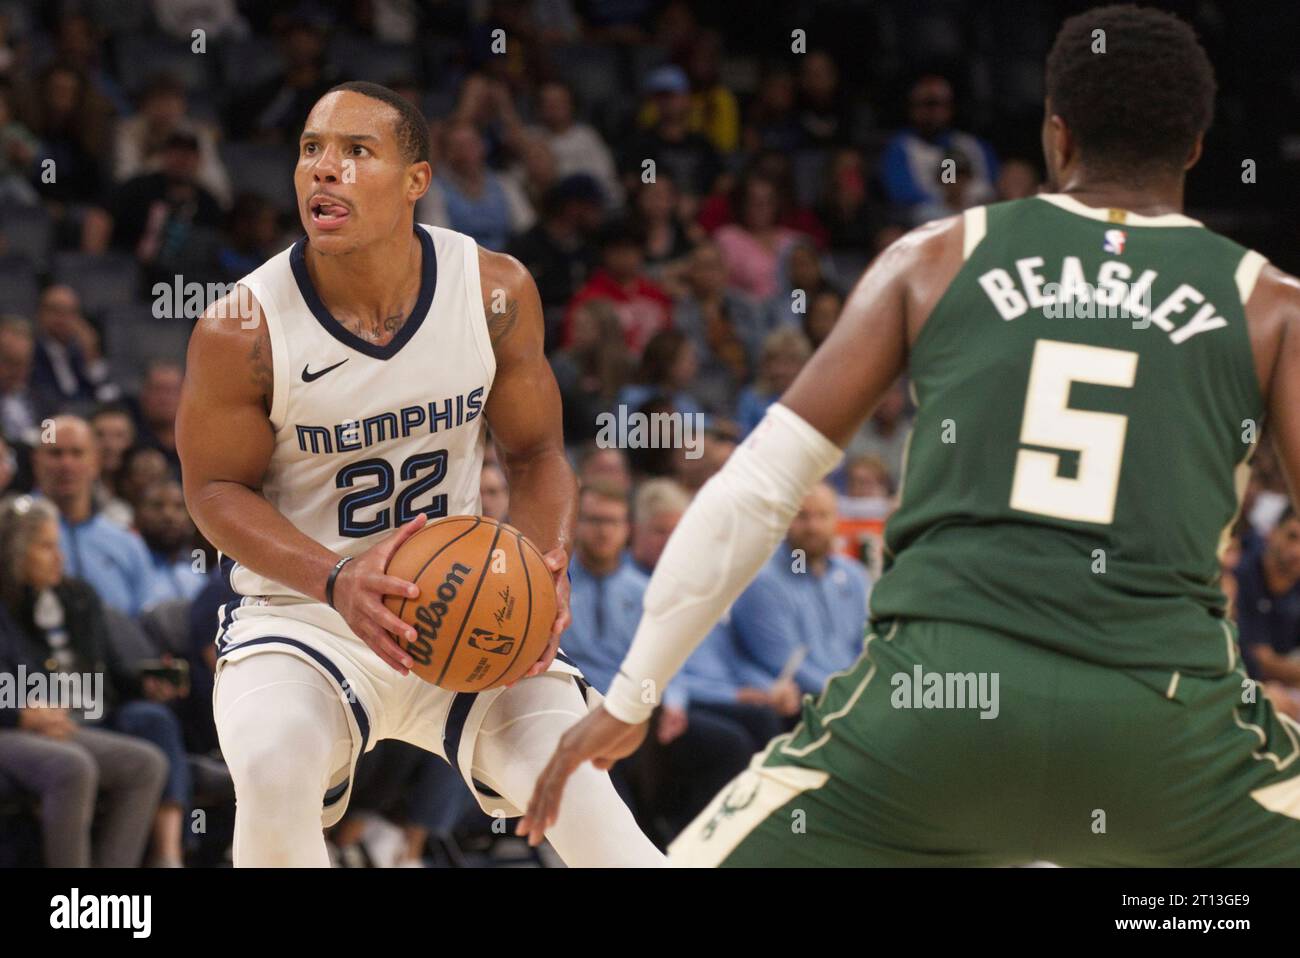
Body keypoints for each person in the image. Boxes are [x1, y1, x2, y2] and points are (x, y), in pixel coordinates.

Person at [521, 5, 1300, 866]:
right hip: (1169, 732)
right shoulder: (1272, 306)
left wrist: (633, 695)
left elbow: (755, 489)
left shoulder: (936, 257)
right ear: (1196, 146)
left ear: (1057, 134)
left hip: (932, 710)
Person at [176, 81, 661, 867]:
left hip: (464, 603)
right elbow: (212, 491)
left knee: (599, 822)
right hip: (303, 620)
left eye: (355, 151)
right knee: (271, 778)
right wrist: (337, 579)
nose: (323, 170)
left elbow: (536, 456)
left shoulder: (495, 293)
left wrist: (541, 569)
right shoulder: (242, 327)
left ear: (416, 180)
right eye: (310, 150)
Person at [0, 494, 169, 866]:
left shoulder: (36, 601)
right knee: (73, 767)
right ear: (15, 551)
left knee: (145, 764)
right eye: (45, 547)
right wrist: (21, 715)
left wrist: (47, 710)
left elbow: (45, 676)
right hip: (9, 727)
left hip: (35, 726)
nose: (58, 557)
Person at [32, 415, 153, 616]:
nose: (66, 464)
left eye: (77, 453)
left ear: (95, 462)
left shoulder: (126, 541)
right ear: (36, 461)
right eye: (55, 453)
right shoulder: (12, 533)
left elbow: (144, 619)